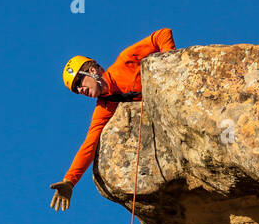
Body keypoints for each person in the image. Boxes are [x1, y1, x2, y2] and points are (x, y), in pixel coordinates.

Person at [49, 28, 176, 211]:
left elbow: (162, 34)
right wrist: (69, 181)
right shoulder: (104, 106)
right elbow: (89, 144)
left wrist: (170, 65)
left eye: (79, 82)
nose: (80, 90)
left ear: (92, 71)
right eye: (75, 90)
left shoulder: (125, 61)